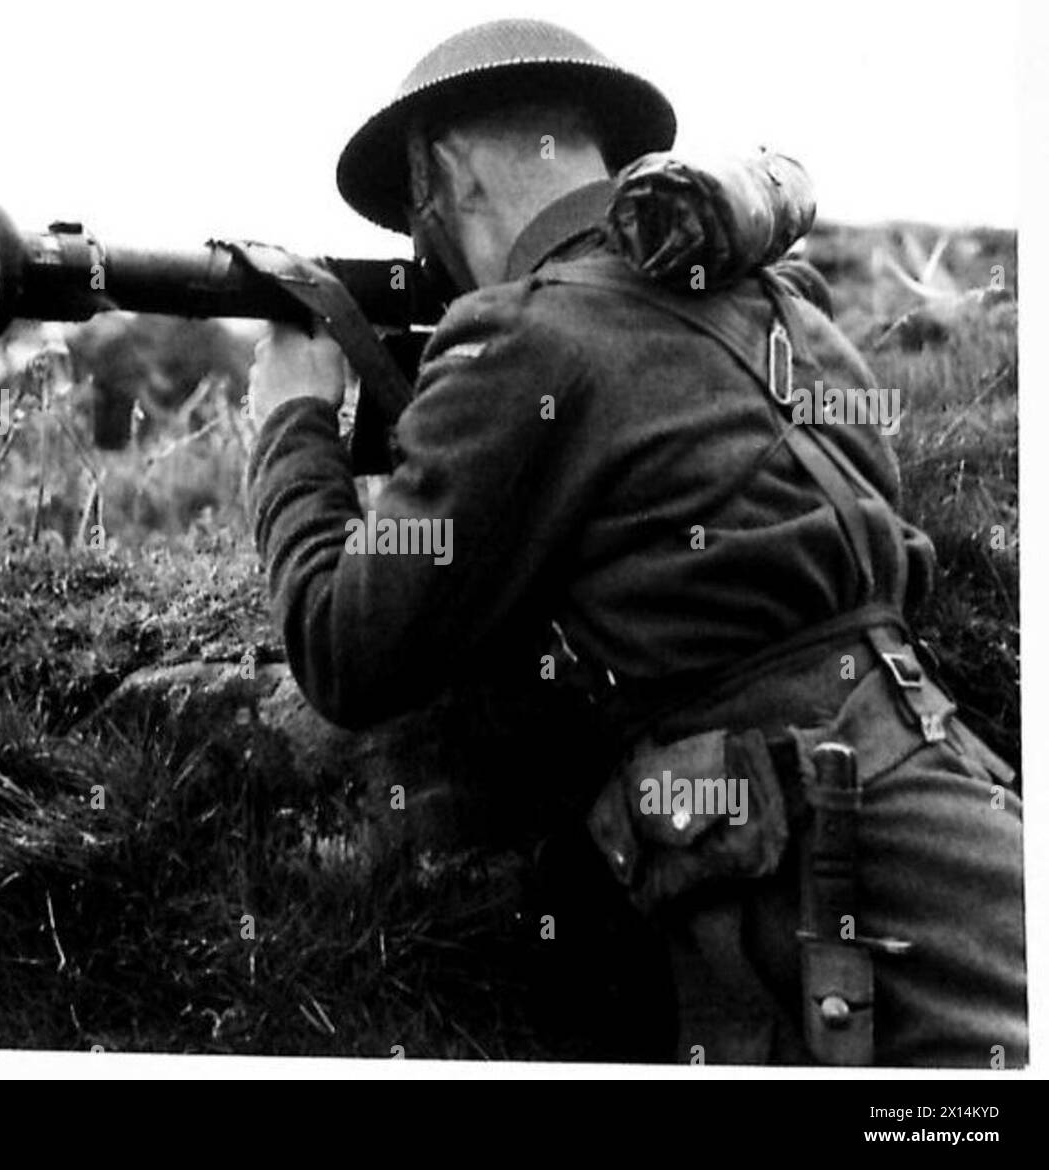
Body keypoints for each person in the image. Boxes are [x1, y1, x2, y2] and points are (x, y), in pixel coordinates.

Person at [245, 18, 1027, 1066]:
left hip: (837, 872)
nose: (425, 249)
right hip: (944, 796)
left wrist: (291, 427)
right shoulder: (775, 302)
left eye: (417, 208)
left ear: (448, 174)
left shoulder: (516, 339)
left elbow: (346, 649)